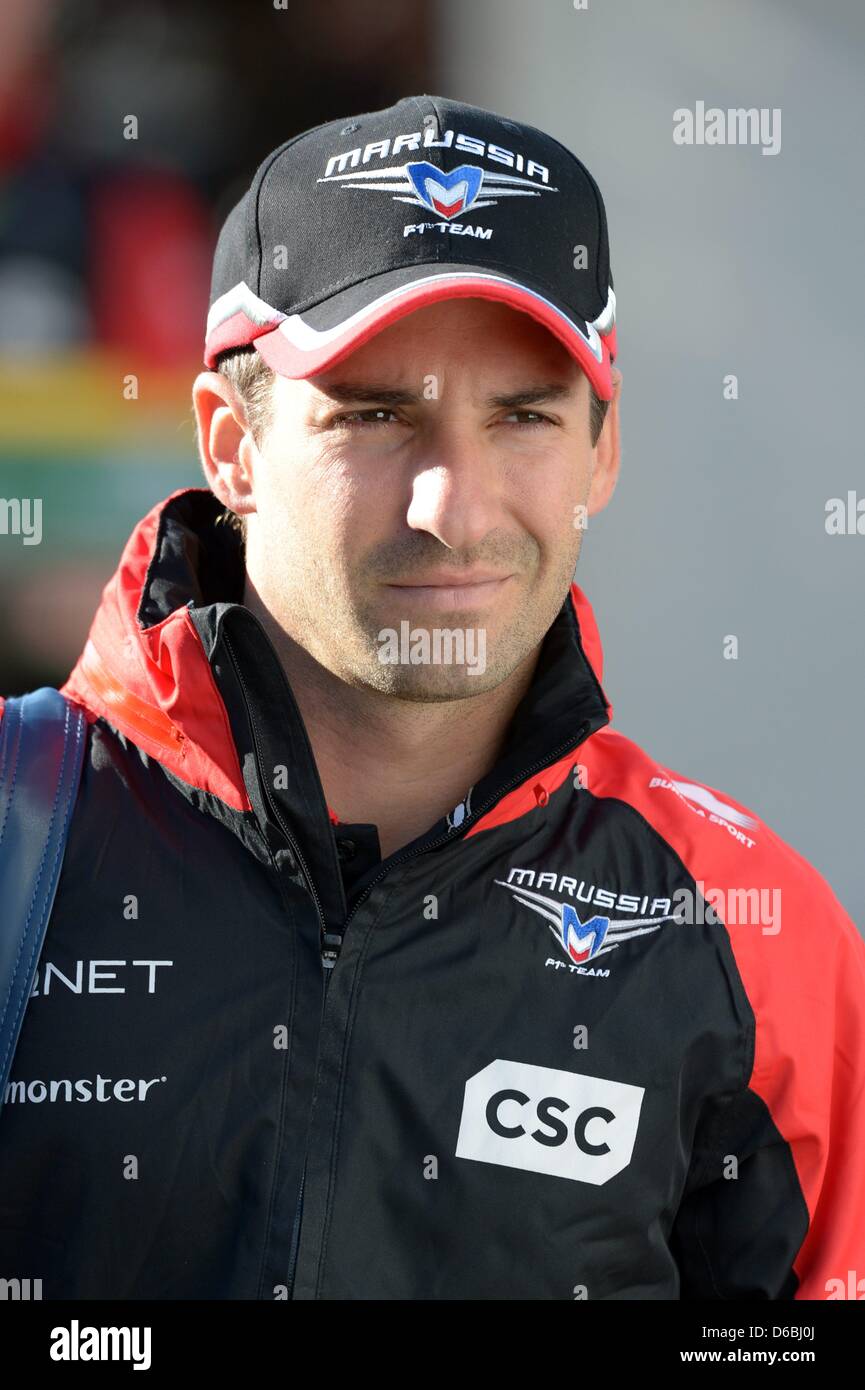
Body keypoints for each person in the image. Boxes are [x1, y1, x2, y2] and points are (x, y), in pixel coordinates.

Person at [0, 94, 863, 1302]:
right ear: (230, 446)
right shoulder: (16, 825)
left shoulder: (752, 932)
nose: (452, 508)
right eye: (375, 415)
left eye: (522, 418)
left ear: (602, 454)